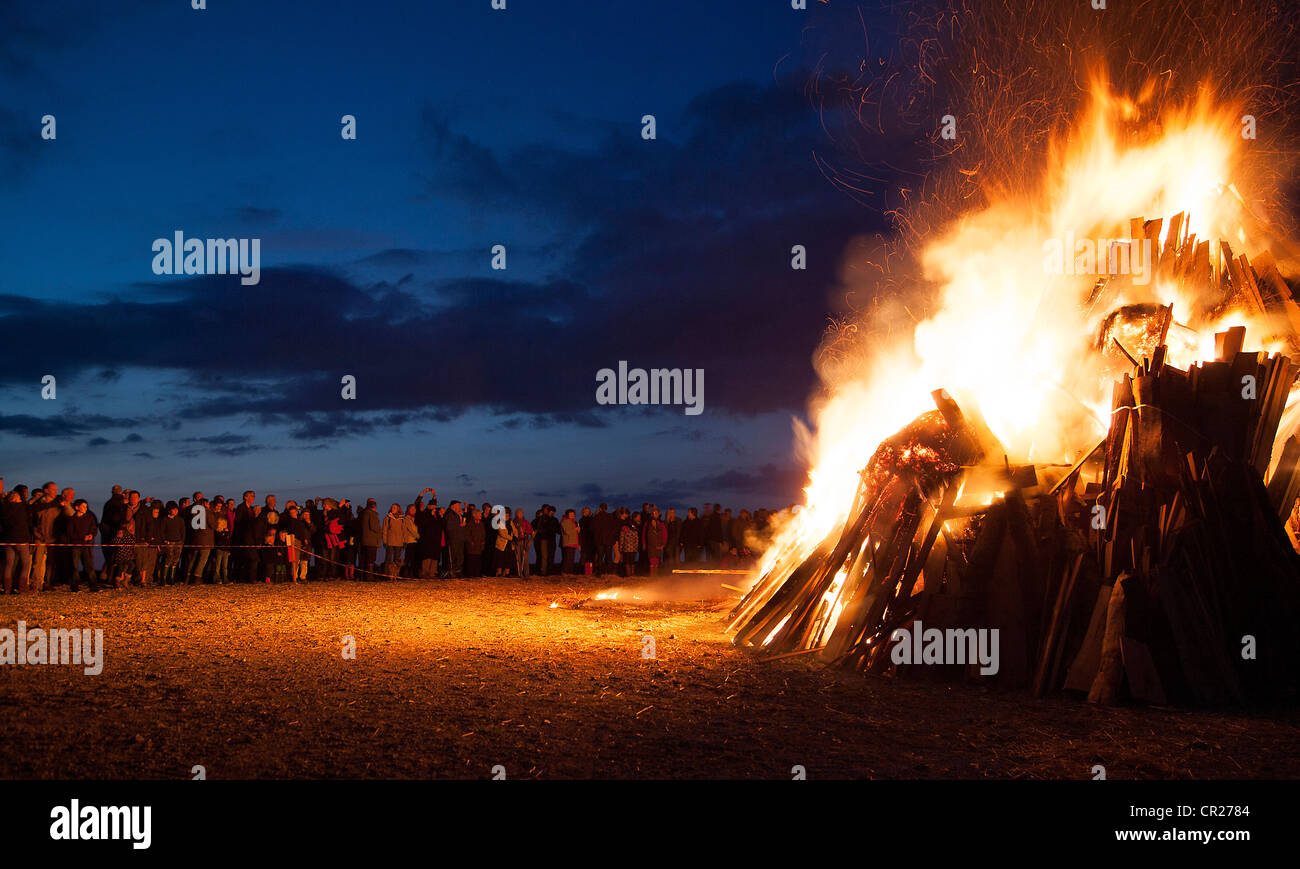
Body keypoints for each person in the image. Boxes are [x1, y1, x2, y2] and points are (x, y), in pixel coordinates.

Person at [1, 489, 33, 594]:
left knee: (8, 564)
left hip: (8, 540)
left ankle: (7, 588)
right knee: (25, 564)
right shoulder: (22, 507)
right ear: (15, 499)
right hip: (21, 539)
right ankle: (23, 588)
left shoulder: (4, 508)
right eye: (19, 498)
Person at [65, 500, 98, 592]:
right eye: (83, 506)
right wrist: (82, 537)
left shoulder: (89, 517)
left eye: (86, 506)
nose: (85, 508)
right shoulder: (72, 519)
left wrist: (91, 535)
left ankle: (93, 586)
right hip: (75, 545)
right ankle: (75, 587)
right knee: (74, 566)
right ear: (77, 507)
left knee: (89, 565)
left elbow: (94, 528)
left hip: (86, 545)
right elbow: (70, 533)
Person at [381, 503, 406, 578]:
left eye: (394, 507)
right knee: (388, 559)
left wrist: (405, 541)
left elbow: (404, 531)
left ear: (398, 509)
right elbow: (384, 530)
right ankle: (386, 575)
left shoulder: (402, 519)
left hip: (399, 542)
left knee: (396, 561)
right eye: (392, 507)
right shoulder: (387, 518)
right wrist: (385, 541)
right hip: (390, 541)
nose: (393, 509)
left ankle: (395, 575)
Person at [359, 499, 382, 577]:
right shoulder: (371, 514)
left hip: (366, 539)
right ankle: (369, 576)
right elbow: (374, 526)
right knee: (371, 559)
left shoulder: (364, 513)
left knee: (365, 558)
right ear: (374, 506)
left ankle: (364, 575)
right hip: (371, 540)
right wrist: (380, 530)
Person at [443, 501, 466, 577]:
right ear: (453, 506)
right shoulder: (449, 514)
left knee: (459, 556)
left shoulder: (457, 514)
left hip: (459, 538)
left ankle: (458, 570)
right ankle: (451, 571)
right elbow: (449, 527)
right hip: (453, 538)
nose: (459, 507)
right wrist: (460, 526)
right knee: (452, 556)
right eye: (458, 506)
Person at [643, 507, 667, 576]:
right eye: (653, 513)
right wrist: (644, 543)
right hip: (652, 546)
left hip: (659, 545)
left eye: (656, 513)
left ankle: (655, 576)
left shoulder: (661, 524)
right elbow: (646, 535)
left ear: (658, 514)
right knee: (652, 562)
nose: (654, 514)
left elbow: (664, 534)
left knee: (656, 562)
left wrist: (663, 544)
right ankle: (652, 576)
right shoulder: (647, 524)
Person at [493, 507, 516, 576]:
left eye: (508, 514)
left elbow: (515, 530)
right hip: (501, 544)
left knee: (508, 558)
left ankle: (507, 572)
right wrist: (511, 538)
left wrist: (516, 536)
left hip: (509, 544)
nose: (507, 515)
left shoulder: (510, 522)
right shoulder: (500, 521)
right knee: (500, 558)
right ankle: (499, 572)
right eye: (506, 514)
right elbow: (502, 533)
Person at [617, 510, 640, 578]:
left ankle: (628, 575)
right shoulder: (635, 530)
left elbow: (622, 539)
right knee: (632, 562)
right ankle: (632, 574)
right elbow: (636, 539)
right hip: (633, 549)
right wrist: (636, 548)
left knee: (627, 562)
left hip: (626, 548)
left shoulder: (623, 529)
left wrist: (620, 549)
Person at [464, 505, 485, 577]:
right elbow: (467, 534)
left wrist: (483, 541)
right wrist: (470, 542)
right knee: (471, 560)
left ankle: (477, 573)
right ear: (475, 515)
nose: (480, 516)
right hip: (472, 546)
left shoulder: (481, 524)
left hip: (479, 545)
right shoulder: (470, 523)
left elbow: (483, 533)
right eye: (479, 514)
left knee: (478, 560)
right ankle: (470, 574)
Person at [512, 508, 533, 579]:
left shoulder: (526, 522)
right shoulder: (514, 522)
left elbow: (530, 530)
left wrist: (525, 531)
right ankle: (519, 573)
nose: (520, 515)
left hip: (524, 541)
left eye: (521, 513)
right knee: (518, 558)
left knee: (525, 558)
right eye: (519, 513)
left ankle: (526, 574)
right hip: (517, 541)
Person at [560, 509, 580, 574]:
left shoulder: (574, 522)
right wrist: (575, 529)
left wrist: (577, 530)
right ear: (567, 515)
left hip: (573, 542)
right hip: (568, 542)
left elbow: (574, 532)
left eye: (573, 514)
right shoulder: (565, 521)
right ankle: (565, 571)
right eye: (571, 514)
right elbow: (567, 531)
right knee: (568, 558)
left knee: (571, 558)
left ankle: (569, 572)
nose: (572, 515)